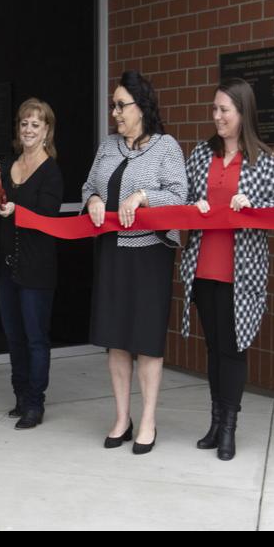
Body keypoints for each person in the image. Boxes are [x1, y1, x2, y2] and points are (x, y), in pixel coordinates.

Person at [179, 78, 274, 461]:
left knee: (234, 348)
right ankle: (214, 422)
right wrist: (195, 206)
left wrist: (253, 202)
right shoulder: (200, 154)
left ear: (243, 113)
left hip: (241, 272)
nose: (217, 116)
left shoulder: (263, 158)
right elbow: (184, 199)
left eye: (224, 109)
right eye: (215, 109)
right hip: (203, 265)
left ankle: (230, 427)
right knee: (214, 348)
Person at [79, 70, 187, 454]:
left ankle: (147, 420)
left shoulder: (166, 147)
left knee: (146, 341)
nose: (115, 113)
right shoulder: (108, 146)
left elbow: (179, 195)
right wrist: (92, 200)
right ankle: (122, 417)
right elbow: (90, 185)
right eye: (113, 105)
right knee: (116, 341)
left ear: (142, 107)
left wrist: (142, 195)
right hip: (112, 251)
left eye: (122, 105)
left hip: (149, 255)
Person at [0, 98, 63, 430]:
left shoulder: (52, 172)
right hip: (6, 265)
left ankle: (35, 402)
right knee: (14, 336)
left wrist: (17, 212)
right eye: (24, 123)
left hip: (36, 267)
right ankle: (19, 396)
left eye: (36, 124)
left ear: (47, 131)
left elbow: (49, 216)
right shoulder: (6, 164)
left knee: (35, 337)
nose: (29, 129)